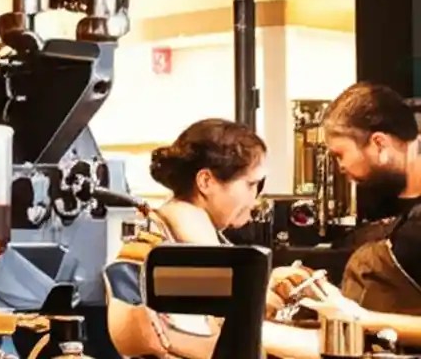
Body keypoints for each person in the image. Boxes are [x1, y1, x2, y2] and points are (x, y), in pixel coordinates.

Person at [104, 118, 319, 359]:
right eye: (251, 185)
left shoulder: (186, 237)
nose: (255, 199)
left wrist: (261, 290)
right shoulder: (161, 248)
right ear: (206, 181)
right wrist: (316, 344)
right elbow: (160, 334)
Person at [292, 81, 421, 348]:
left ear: (379, 144)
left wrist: (361, 319)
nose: (340, 167)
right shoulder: (385, 208)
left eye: (340, 154)